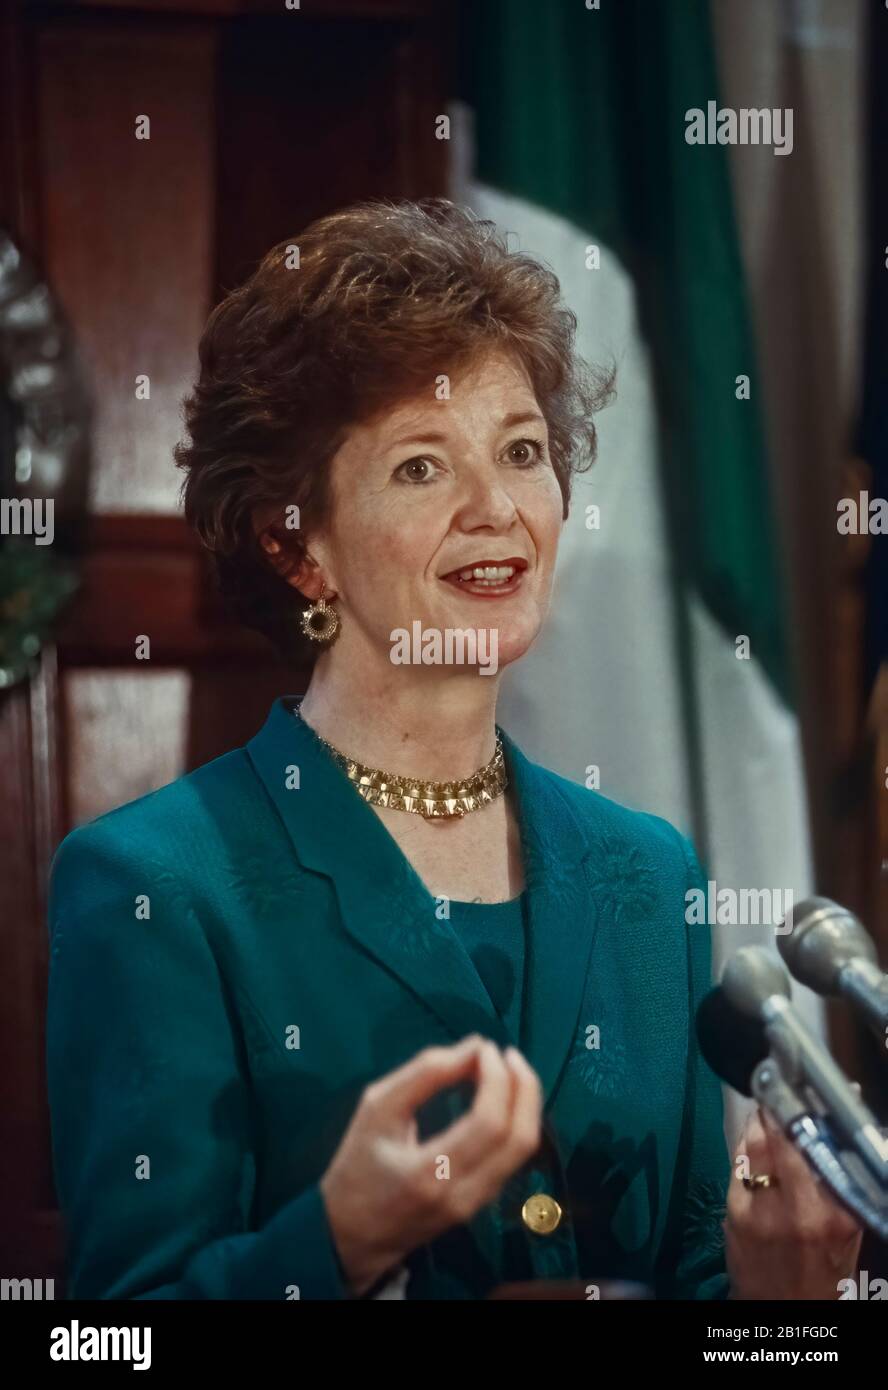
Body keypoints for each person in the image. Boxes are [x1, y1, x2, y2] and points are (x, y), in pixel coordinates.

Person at [46, 198, 863, 1300]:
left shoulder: (646, 870)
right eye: (421, 466)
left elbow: (690, 1274)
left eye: (521, 451)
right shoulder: (154, 884)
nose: (496, 508)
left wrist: (778, 1296)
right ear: (297, 545)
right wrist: (337, 1238)